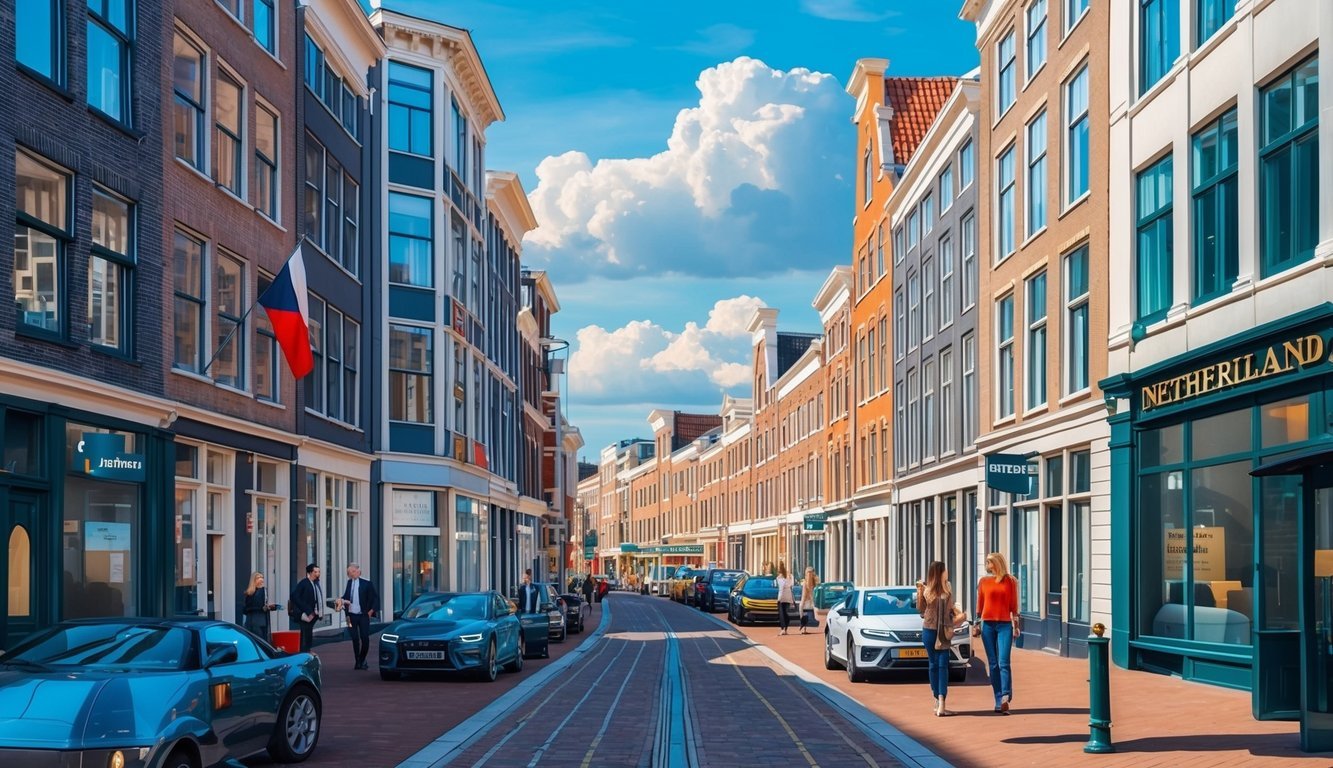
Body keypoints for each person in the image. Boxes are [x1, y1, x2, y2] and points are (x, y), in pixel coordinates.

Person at [975, 551, 1021, 714]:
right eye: (986, 562)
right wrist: (977, 623)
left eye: (989, 562)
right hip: (987, 625)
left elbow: (1014, 607)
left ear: (997, 563)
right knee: (993, 664)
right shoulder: (983, 582)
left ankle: (1005, 697)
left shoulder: (1010, 581)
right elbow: (979, 606)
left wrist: (1016, 625)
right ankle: (998, 697)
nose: (987, 565)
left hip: (1004, 625)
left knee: (1003, 662)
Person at [917, 560, 961, 716]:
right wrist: (919, 593)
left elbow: (950, 607)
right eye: (945, 570)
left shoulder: (947, 587)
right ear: (939, 572)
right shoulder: (926, 589)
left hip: (943, 630)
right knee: (934, 664)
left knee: (942, 665)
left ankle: (941, 700)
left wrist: (957, 613)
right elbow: (921, 609)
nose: (947, 572)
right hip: (929, 630)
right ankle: (937, 697)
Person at [335, 562, 380, 670]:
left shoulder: (367, 584)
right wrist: (341, 600)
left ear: (358, 571)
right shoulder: (349, 583)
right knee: (354, 638)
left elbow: (376, 599)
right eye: (350, 572)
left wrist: (371, 611)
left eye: (353, 572)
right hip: (350, 616)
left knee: (365, 638)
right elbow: (346, 596)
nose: (352, 574)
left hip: (363, 615)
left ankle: (362, 658)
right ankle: (358, 661)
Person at [290, 563, 324, 654]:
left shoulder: (316, 583)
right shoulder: (304, 583)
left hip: (314, 614)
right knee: (305, 632)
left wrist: (319, 613)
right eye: (315, 572)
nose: (318, 573)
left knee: (309, 632)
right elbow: (294, 596)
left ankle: (308, 650)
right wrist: (308, 611)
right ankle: (304, 651)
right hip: (305, 614)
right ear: (310, 573)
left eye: (319, 572)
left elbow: (318, 598)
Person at [241, 572, 275, 642]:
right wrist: (261, 608)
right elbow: (246, 609)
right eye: (259, 578)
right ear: (254, 580)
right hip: (254, 622)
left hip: (262, 621)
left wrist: (269, 607)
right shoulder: (250, 593)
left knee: (262, 641)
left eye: (262, 577)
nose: (261, 579)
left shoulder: (263, 591)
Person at [775, 561, 794, 636]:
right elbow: (791, 584)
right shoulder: (789, 576)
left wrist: (779, 598)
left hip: (782, 596)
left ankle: (783, 629)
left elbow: (781, 587)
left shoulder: (779, 577)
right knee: (785, 612)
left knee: (781, 613)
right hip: (788, 596)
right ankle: (785, 629)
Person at [799, 567, 819, 634]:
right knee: (803, 608)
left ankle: (803, 624)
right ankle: (804, 626)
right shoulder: (815, 582)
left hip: (809, 602)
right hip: (813, 602)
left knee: (801, 607)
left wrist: (802, 603)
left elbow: (804, 596)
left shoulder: (805, 583)